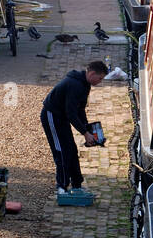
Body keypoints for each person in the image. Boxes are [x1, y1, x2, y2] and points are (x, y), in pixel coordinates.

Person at [41, 61, 108, 202]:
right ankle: (61, 187)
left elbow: (80, 109)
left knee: (71, 150)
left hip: (63, 116)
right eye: (100, 78)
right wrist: (85, 133)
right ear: (92, 74)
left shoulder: (85, 85)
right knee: (61, 152)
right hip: (52, 115)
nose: (100, 82)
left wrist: (89, 130)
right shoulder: (75, 85)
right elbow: (71, 113)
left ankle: (77, 184)